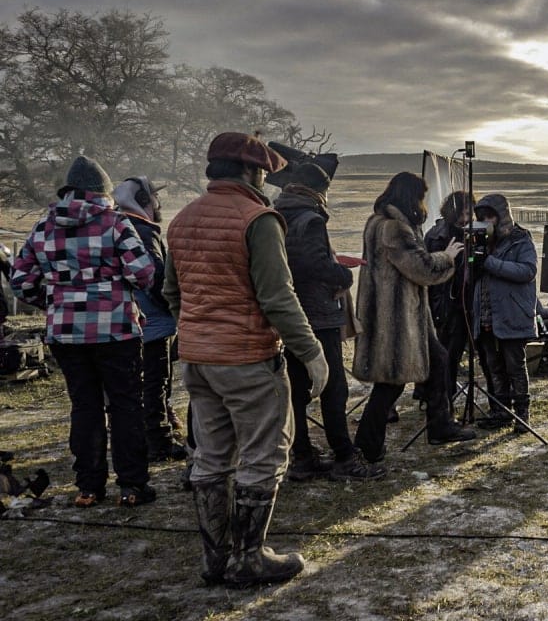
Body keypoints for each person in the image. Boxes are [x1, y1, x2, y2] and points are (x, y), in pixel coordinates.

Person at [165, 132, 329, 587]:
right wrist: (311, 352)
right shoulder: (258, 219)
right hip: (248, 359)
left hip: (197, 360)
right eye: (263, 172)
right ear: (251, 171)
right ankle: (249, 558)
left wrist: (201, 331)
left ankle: (215, 559)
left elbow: (170, 293)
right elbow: (278, 296)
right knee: (263, 454)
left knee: (211, 457)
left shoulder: (180, 220)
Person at [11, 156, 157, 507]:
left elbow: (20, 280)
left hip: (65, 332)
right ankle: (132, 486)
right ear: (102, 192)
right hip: (116, 330)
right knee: (125, 405)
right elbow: (143, 273)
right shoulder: (116, 223)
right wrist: (112, 288)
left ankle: (89, 487)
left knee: (84, 406)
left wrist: (55, 300)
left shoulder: (43, 226)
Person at [275, 163, 385, 481]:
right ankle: (345, 458)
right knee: (333, 387)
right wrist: (342, 274)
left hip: (293, 311)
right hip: (318, 314)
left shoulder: (280, 214)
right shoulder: (310, 219)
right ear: (318, 190)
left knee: (296, 387)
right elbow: (312, 262)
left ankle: (302, 455)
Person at [352, 173, 472, 460]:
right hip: (395, 318)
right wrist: (447, 256)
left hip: (404, 315)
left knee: (437, 360)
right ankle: (367, 447)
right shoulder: (394, 227)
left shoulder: (379, 222)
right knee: (391, 383)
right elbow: (422, 268)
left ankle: (439, 425)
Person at [112, 176, 186, 463]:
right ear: (143, 201)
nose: (158, 203)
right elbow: (154, 277)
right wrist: (173, 307)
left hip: (131, 321)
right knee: (156, 385)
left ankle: (145, 437)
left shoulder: (118, 226)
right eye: (154, 197)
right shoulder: (142, 230)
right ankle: (159, 443)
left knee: (138, 385)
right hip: (152, 321)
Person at [470, 193, 539, 431]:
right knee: (492, 366)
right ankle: (499, 412)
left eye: (490, 215)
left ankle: (522, 415)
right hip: (486, 313)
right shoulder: (479, 242)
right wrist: (471, 262)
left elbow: (527, 271)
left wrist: (489, 262)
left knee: (515, 365)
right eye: (482, 217)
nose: (486, 220)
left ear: (501, 216)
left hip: (512, 312)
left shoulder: (520, 239)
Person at [421, 191, 489, 404]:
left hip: (470, 305)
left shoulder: (475, 233)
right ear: (453, 210)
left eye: (471, 212)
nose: (468, 217)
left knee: (468, 355)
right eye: (464, 211)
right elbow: (429, 271)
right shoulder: (436, 235)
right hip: (446, 305)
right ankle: (441, 402)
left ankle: (441, 401)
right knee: (445, 357)